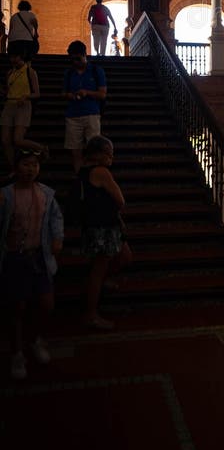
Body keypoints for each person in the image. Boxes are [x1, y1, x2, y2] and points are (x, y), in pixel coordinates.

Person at [0, 149, 64, 379]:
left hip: (39, 256)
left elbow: (56, 217)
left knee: (46, 303)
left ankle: (35, 339)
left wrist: (57, 238)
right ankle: (17, 352)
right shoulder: (6, 195)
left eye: (35, 165)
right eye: (26, 164)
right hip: (14, 257)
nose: (31, 169)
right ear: (16, 167)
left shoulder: (45, 193)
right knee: (16, 307)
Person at [79, 135, 131, 330]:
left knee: (124, 256)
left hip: (104, 224)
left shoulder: (84, 170)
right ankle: (90, 314)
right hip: (102, 227)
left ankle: (102, 281)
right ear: (99, 154)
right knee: (98, 269)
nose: (112, 157)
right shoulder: (101, 172)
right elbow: (120, 200)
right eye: (109, 153)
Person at [63, 40, 107, 171]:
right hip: (73, 115)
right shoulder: (69, 73)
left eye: (77, 58)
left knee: (94, 150)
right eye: (72, 59)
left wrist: (86, 92)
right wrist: (70, 95)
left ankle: (94, 178)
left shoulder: (96, 71)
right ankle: (79, 178)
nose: (75, 62)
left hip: (92, 114)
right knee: (75, 151)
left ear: (84, 55)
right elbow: (63, 93)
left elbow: (102, 94)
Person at [0, 45, 47, 168]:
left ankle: (41, 148)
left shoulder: (29, 71)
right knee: (5, 140)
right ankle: (13, 167)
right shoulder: (10, 72)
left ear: (21, 57)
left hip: (23, 105)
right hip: (9, 104)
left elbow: (37, 93)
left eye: (15, 57)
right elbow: (8, 90)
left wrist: (25, 97)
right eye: (11, 57)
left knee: (18, 139)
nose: (13, 60)